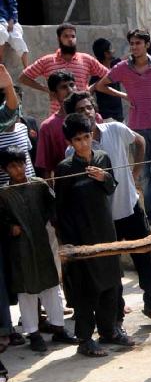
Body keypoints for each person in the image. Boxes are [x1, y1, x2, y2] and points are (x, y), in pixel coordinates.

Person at [64, 91, 151, 330]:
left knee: (146, 261)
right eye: (81, 110)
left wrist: (134, 173)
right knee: (112, 273)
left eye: (89, 107)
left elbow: (140, 141)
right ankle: (117, 319)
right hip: (104, 221)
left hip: (130, 208)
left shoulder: (115, 130)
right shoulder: (74, 153)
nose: (87, 112)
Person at [55, 114, 134, 357]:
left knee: (111, 283)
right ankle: (85, 339)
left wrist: (105, 177)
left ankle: (109, 331)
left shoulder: (102, 158)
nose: (83, 143)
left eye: (86, 137)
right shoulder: (65, 169)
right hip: (81, 237)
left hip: (105, 231)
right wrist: (69, 244)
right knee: (86, 289)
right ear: (70, 142)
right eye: (77, 139)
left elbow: (111, 187)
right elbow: (60, 209)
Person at [92, 29, 151, 227]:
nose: (134, 47)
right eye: (132, 43)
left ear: (147, 45)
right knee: (144, 176)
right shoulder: (123, 67)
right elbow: (101, 85)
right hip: (136, 129)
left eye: (138, 43)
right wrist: (124, 96)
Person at [0, 148, 76, 351]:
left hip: (42, 244)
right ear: (5, 170)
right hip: (20, 250)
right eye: (12, 166)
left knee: (51, 286)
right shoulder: (3, 194)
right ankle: (33, 334)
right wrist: (10, 228)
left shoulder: (39, 185)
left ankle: (59, 329)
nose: (18, 169)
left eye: (20, 164)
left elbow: (54, 206)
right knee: (27, 291)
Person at [21, 23, 113, 113]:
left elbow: (109, 75)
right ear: (59, 39)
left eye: (73, 36)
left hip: (82, 113)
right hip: (59, 115)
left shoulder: (86, 59)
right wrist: (47, 90)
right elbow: (23, 78)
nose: (70, 39)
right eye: (66, 36)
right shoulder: (47, 61)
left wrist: (93, 87)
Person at [35, 70, 78, 177]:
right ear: (54, 94)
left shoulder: (91, 116)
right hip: (66, 183)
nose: (70, 90)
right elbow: (45, 168)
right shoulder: (48, 126)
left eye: (72, 85)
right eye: (63, 87)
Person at [0, 0, 29, 67]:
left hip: (9, 21)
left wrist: (12, 20)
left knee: (18, 40)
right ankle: (0, 61)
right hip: (1, 23)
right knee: (1, 33)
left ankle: (27, 70)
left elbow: (13, 5)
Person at [90, 38, 125, 122]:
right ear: (106, 54)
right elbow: (89, 92)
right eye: (111, 49)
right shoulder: (97, 74)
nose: (114, 51)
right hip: (107, 119)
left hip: (119, 117)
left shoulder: (113, 66)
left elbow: (126, 58)